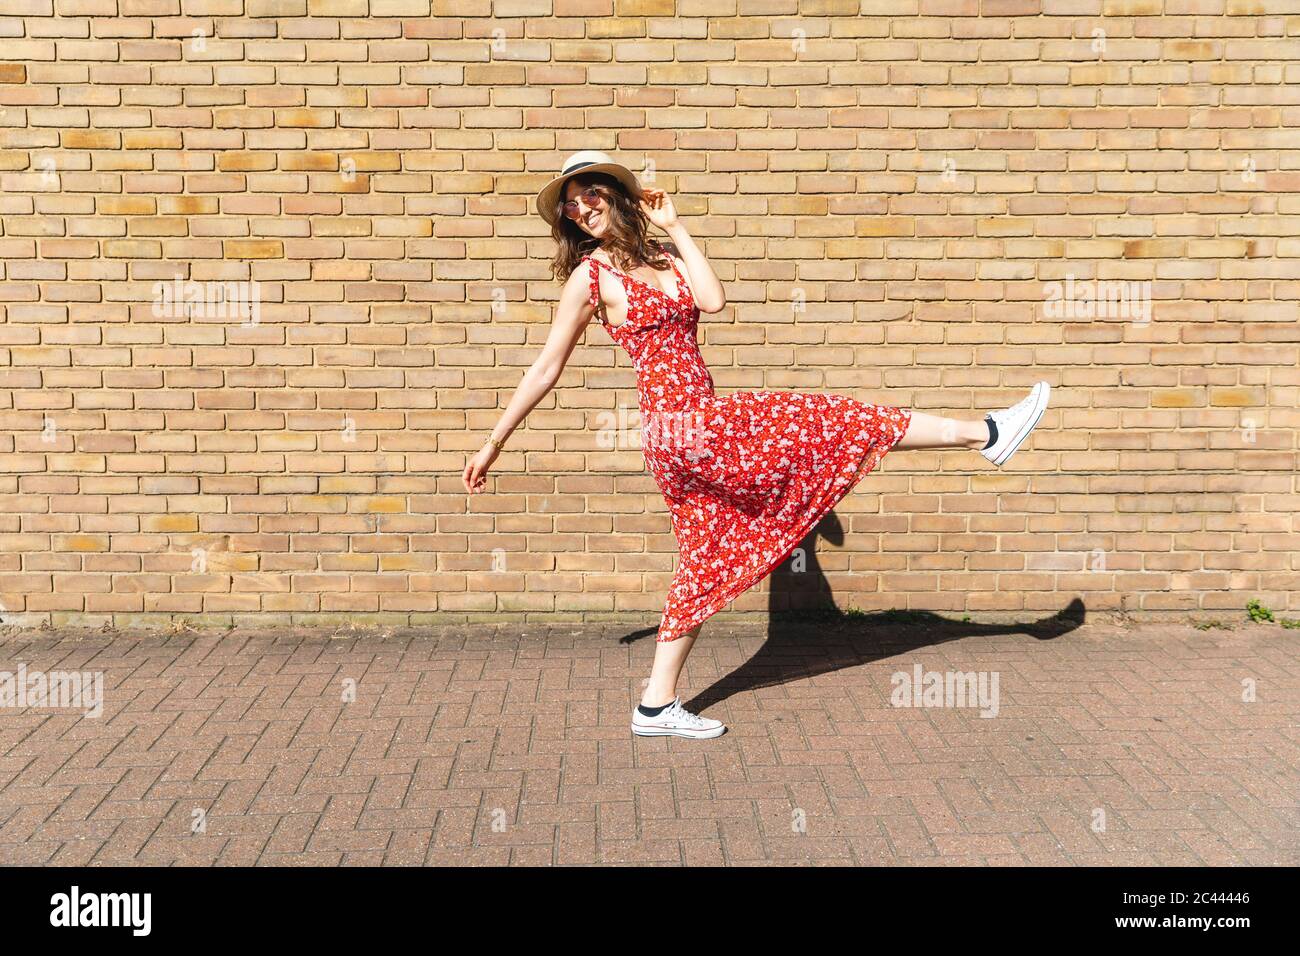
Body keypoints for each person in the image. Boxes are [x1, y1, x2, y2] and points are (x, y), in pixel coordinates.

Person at [463, 150, 1051, 740]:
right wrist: (494, 443)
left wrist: (676, 228)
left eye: (589, 193)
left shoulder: (663, 255)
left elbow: (713, 300)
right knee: (821, 416)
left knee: (704, 553)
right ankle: (985, 434)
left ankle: (655, 704)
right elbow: (546, 368)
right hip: (680, 425)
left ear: (616, 195)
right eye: (570, 203)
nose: (580, 208)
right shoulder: (591, 277)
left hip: (695, 425)